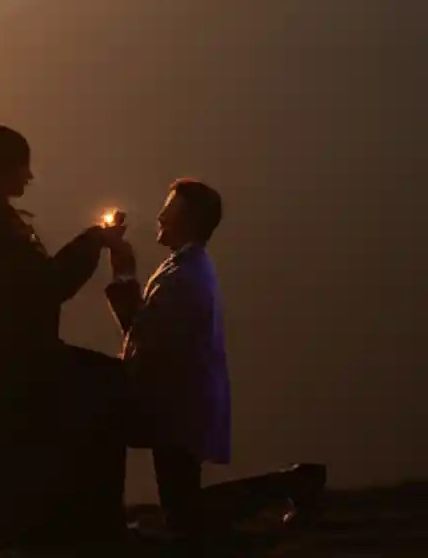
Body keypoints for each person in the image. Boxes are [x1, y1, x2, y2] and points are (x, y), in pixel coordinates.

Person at [107, 179, 327, 543]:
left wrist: (124, 272)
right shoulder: (184, 267)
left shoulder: (184, 275)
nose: (160, 216)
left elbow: (144, 331)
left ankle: (297, 481)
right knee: (182, 509)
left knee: (184, 514)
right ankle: (296, 482)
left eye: (170, 209)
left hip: (177, 401)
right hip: (178, 399)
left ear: (188, 220)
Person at [0, 117, 128, 547]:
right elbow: (46, 287)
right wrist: (93, 243)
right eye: (21, 168)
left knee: (0, 446)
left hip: (1, 354)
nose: (29, 176)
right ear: (2, 171)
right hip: (8, 358)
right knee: (7, 442)